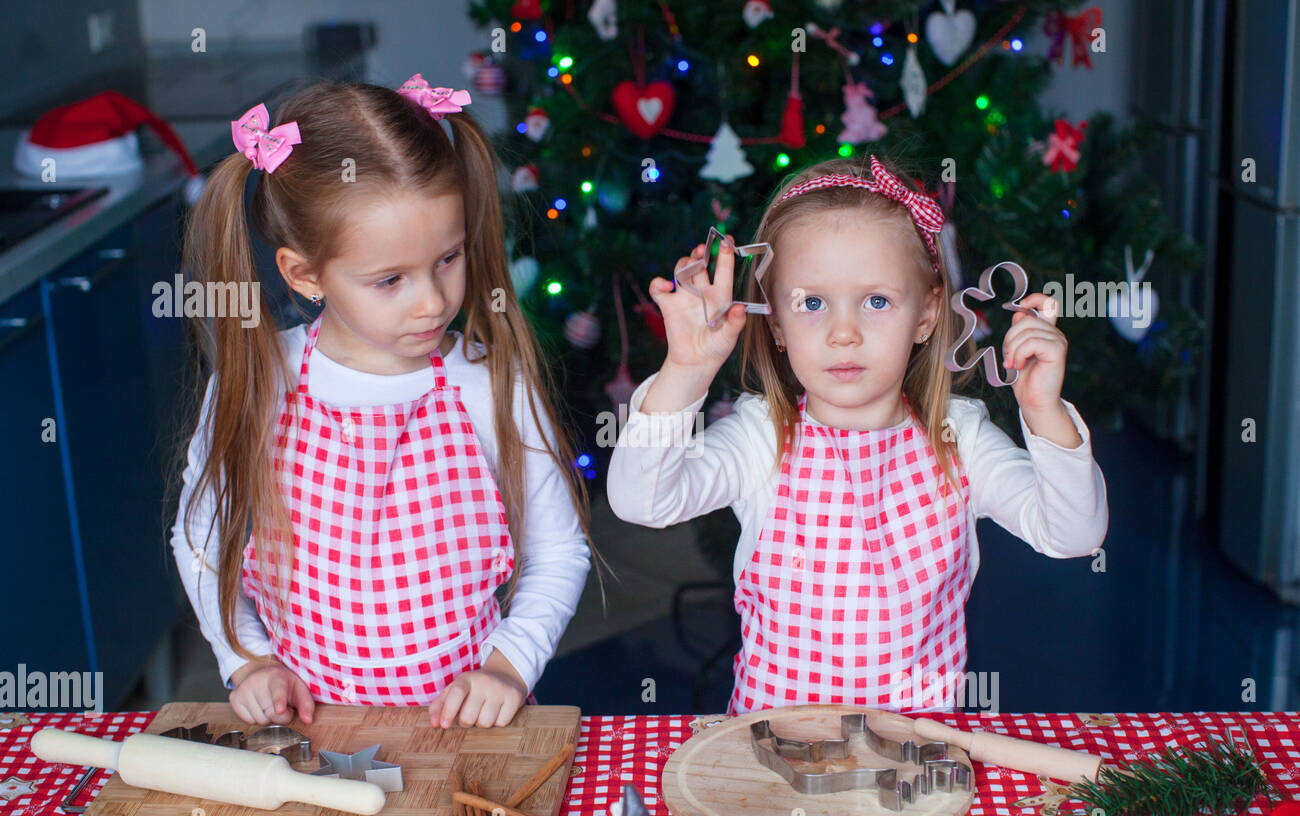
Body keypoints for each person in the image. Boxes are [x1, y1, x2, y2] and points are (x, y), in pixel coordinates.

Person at [607, 155, 1108, 715]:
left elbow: (1074, 534)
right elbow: (640, 501)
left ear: (925, 314)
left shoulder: (958, 439)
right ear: (776, 322)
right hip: (774, 766)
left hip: (913, 775)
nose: (844, 333)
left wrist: (1042, 410)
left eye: (876, 301)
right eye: (811, 303)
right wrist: (687, 370)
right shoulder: (760, 438)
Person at [170, 76, 592, 729]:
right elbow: (199, 536)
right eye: (390, 279)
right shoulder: (261, 384)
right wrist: (247, 659)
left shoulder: (487, 383)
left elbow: (559, 552)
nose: (432, 300)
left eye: (448, 258)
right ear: (304, 274)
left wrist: (509, 666)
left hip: (464, 732)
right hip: (312, 729)